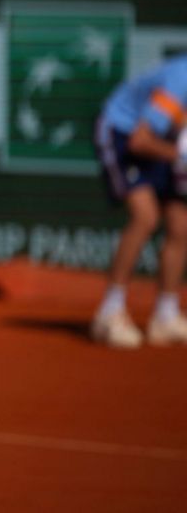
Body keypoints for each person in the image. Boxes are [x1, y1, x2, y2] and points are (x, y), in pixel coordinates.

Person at [91, 56, 187, 348]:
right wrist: (181, 156)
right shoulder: (180, 81)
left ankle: (166, 317)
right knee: (146, 217)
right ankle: (109, 312)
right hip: (123, 133)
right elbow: (139, 141)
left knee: (181, 225)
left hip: (164, 141)